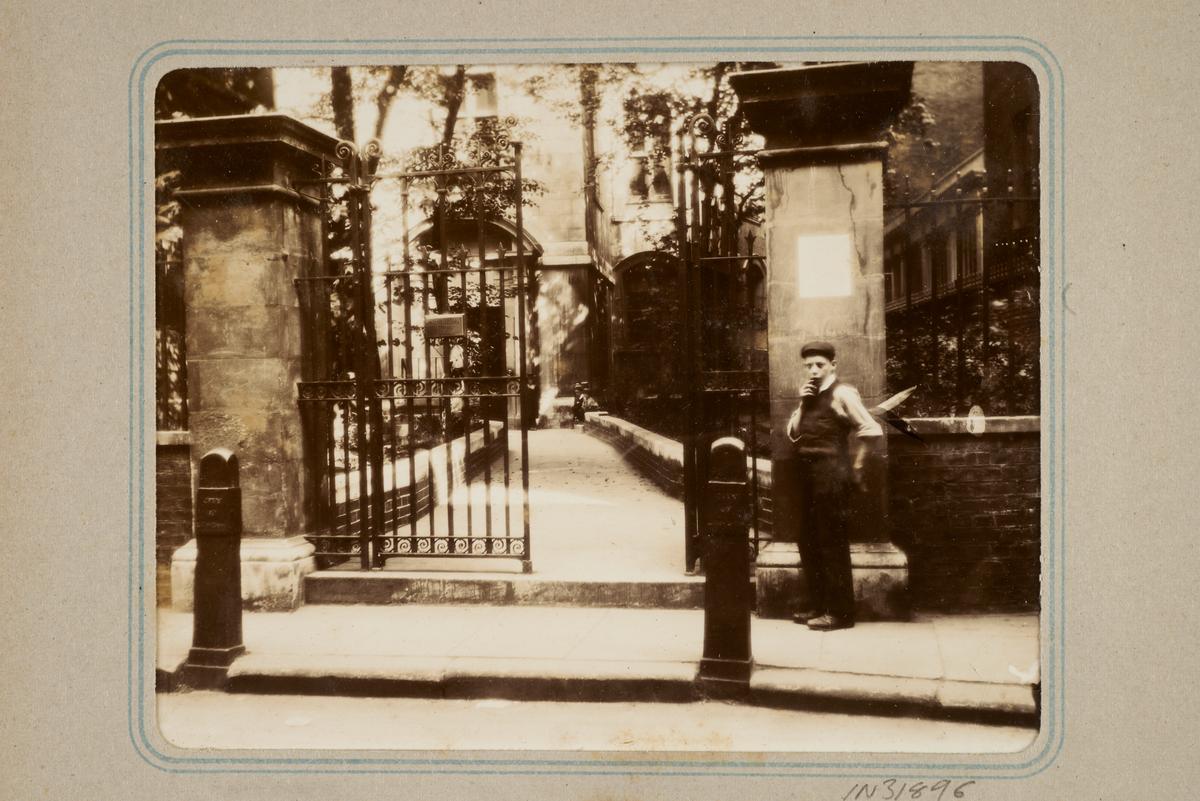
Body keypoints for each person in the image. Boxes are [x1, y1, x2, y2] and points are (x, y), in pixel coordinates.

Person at [785, 341, 883, 631]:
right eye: (809, 365)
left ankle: (840, 613)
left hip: (831, 475)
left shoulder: (842, 393)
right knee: (808, 540)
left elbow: (871, 430)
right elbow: (793, 433)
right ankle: (818, 606)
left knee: (832, 542)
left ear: (832, 365)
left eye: (819, 364)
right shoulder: (808, 395)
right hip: (807, 475)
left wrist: (856, 466)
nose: (813, 370)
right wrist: (803, 403)